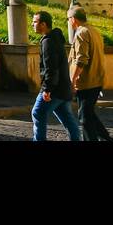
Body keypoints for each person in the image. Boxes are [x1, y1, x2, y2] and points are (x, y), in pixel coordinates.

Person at [31, 10, 80, 141]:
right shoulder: (55, 37)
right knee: (67, 119)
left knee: (38, 112)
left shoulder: (48, 41)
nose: (32, 24)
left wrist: (47, 89)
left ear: (43, 24)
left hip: (55, 89)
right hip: (63, 88)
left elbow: (51, 68)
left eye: (35, 22)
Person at [68, 6, 113, 141]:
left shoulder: (82, 32)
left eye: (68, 19)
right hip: (96, 79)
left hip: (86, 81)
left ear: (73, 19)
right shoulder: (94, 31)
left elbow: (81, 59)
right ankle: (107, 138)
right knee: (89, 113)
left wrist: (73, 80)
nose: (69, 22)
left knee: (85, 117)